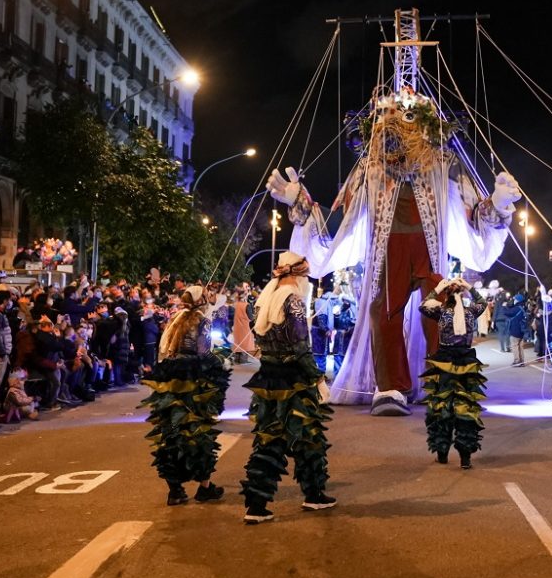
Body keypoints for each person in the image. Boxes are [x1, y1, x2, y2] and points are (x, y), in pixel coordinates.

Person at [266, 93, 522, 415]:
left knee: (441, 311)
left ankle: (443, 380)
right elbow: (342, 220)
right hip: (387, 250)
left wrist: (497, 203)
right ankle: (391, 387)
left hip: (430, 250)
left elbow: (471, 213)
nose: (403, 126)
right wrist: (299, 202)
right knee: (381, 311)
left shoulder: (445, 165)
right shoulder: (370, 168)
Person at [240, 252, 335, 524]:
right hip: (293, 380)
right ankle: (314, 495)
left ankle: (257, 506)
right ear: (297, 275)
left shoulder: (264, 299)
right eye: (305, 276)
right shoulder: (293, 300)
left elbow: (261, 338)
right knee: (307, 437)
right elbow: (301, 348)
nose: (307, 282)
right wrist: (317, 378)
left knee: (269, 439)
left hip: (269, 377)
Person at [139, 285, 231, 506]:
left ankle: (175, 491)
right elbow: (203, 353)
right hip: (192, 381)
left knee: (171, 434)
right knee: (198, 433)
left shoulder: (176, 319)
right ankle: (204, 488)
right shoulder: (202, 321)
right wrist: (221, 361)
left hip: (170, 380)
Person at [418, 277, 487, 468]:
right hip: (466, 363)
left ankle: (442, 454)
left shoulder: (441, 311)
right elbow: (482, 302)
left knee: (442, 408)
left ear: (446, 295)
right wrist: (469, 287)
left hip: (445, 363)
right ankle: (465, 459)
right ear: (461, 296)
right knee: (465, 409)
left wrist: (438, 288)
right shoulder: (471, 312)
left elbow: (423, 306)